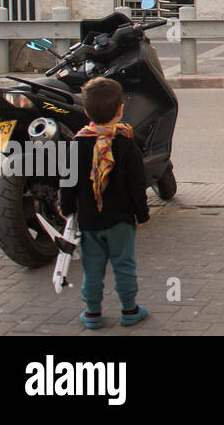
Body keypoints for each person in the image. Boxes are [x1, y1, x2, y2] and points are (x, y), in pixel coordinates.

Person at [59, 77, 150, 329]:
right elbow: (137, 184)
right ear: (121, 109)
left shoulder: (77, 144)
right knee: (124, 264)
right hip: (121, 219)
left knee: (92, 267)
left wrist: (66, 208)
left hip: (90, 220)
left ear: (86, 111)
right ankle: (130, 310)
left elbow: (68, 181)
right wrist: (142, 215)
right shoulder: (126, 143)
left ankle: (92, 313)